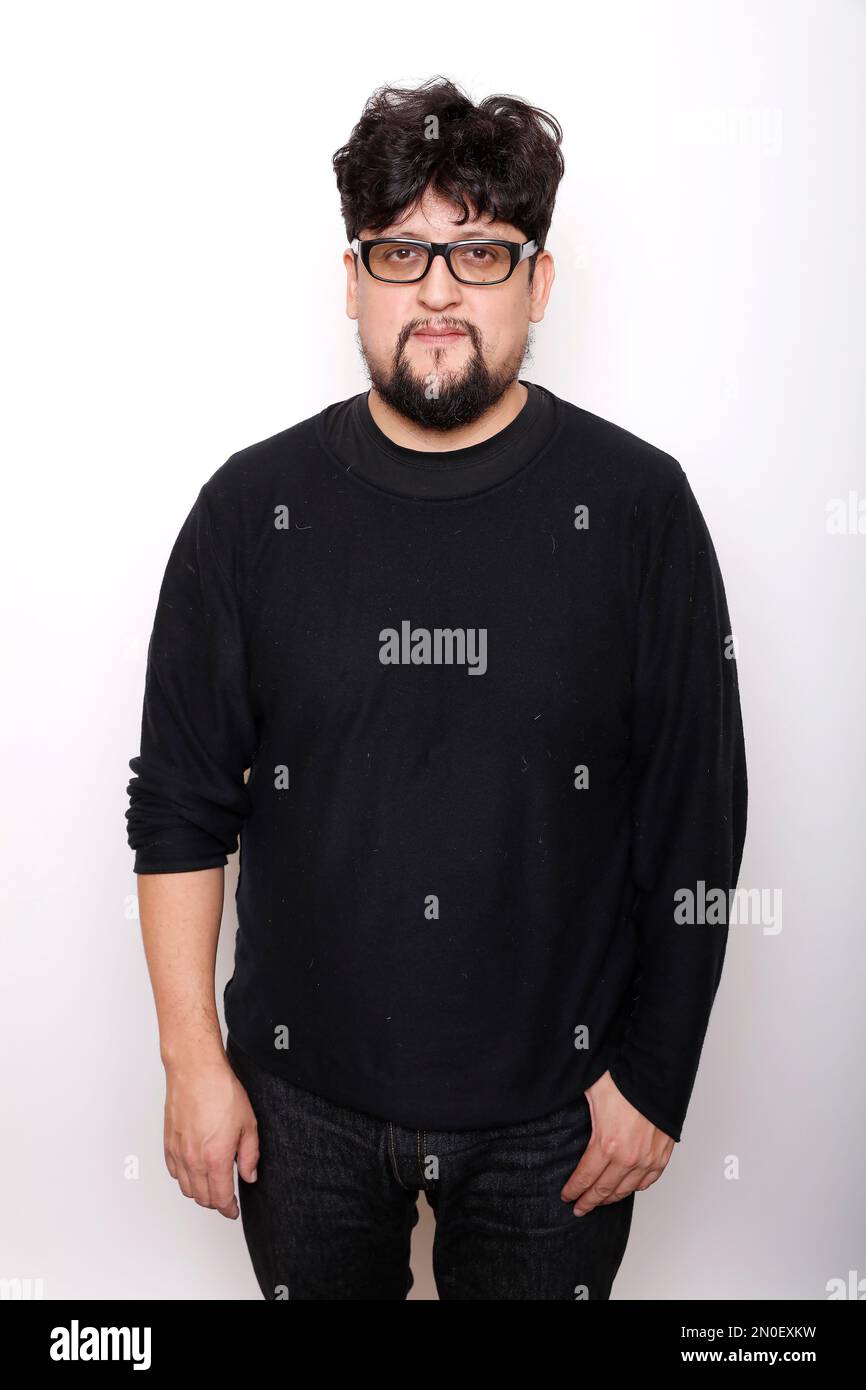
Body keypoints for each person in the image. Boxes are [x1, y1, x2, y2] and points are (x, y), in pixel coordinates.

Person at [126, 77, 748, 1301]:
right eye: (402, 251)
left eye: (478, 249)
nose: (439, 289)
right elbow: (181, 807)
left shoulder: (636, 512)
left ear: (539, 281)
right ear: (353, 279)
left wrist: (655, 1080)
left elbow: (695, 817)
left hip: (555, 1124)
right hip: (299, 1110)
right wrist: (192, 1062)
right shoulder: (251, 515)